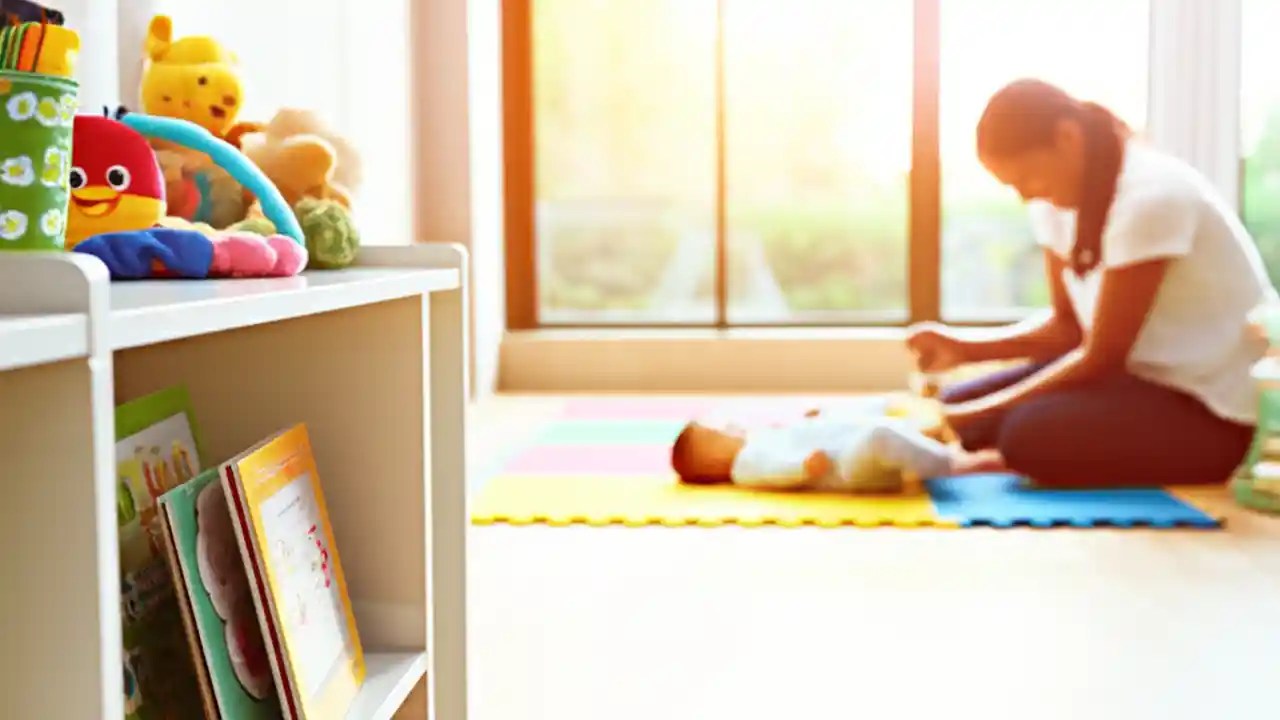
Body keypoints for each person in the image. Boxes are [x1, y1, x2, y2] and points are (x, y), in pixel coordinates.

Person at [907, 78, 1277, 489]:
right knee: (955, 408)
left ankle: (1007, 456)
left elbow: (1102, 356)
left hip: (1212, 410)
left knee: (1022, 434)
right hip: (1137, 382)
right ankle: (1000, 445)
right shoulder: (1054, 204)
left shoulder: (1152, 197)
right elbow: (1069, 329)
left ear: (1066, 137)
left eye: (1027, 178)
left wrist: (972, 415)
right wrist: (964, 349)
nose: (1026, 197)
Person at [669, 410, 1004, 493]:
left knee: (863, 420)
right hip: (844, 469)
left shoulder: (756, 441)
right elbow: (771, 470)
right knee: (879, 436)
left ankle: (933, 441)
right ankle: (953, 464)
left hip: (842, 448)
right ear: (714, 459)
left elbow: (790, 437)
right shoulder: (744, 465)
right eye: (718, 432)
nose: (729, 426)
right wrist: (801, 466)